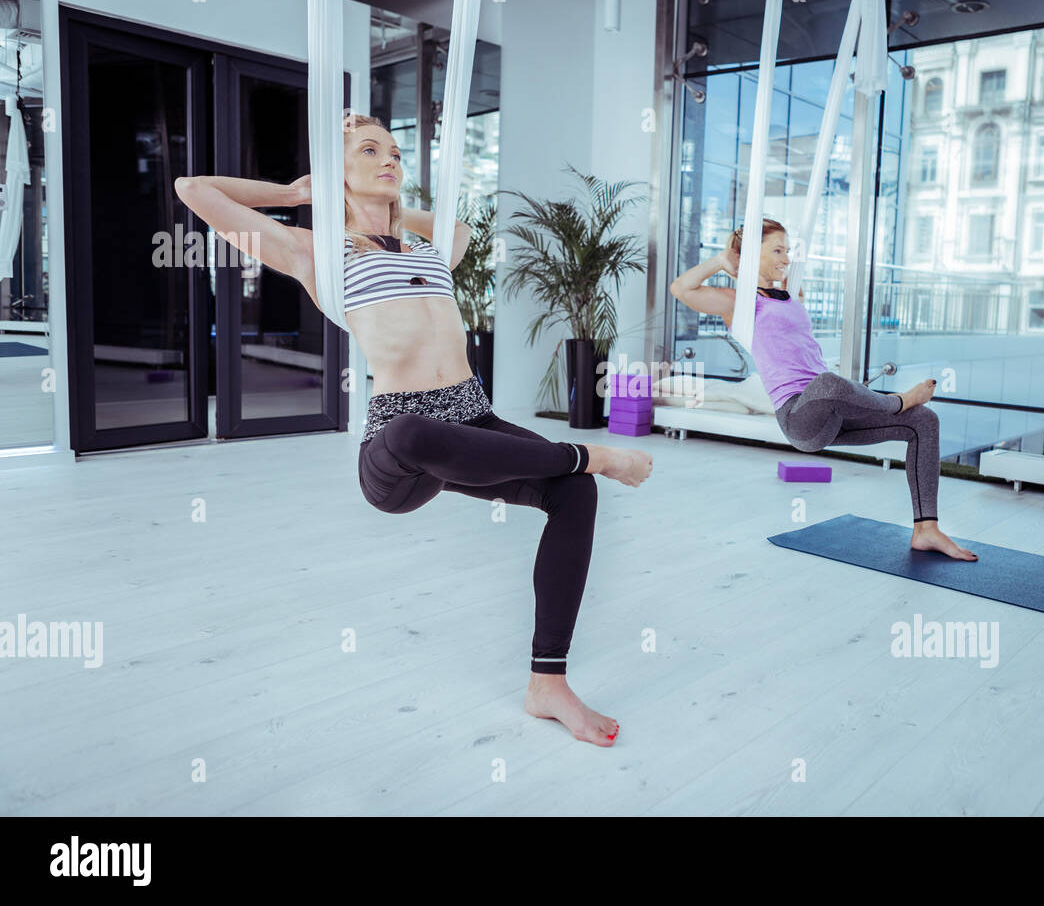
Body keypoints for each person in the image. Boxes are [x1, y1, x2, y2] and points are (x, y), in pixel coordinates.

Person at [174, 113, 654, 747]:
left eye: (396, 153)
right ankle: (587, 453)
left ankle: (548, 683)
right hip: (401, 453)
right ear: (334, 174)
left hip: (473, 418)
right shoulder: (315, 251)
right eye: (371, 151)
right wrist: (300, 195)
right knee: (409, 431)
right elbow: (193, 189)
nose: (391, 161)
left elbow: (452, 225)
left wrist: (387, 202)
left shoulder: (432, 249)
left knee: (575, 495)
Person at [670, 218, 977, 561]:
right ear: (752, 254)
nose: (786, 258)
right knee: (829, 382)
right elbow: (681, 289)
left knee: (924, 421)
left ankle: (926, 529)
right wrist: (721, 261)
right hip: (800, 417)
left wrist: (781, 268)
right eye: (777, 250)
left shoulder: (790, 292)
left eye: (787, 250)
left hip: (833, 411)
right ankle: (898, 400)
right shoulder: (739, 303)